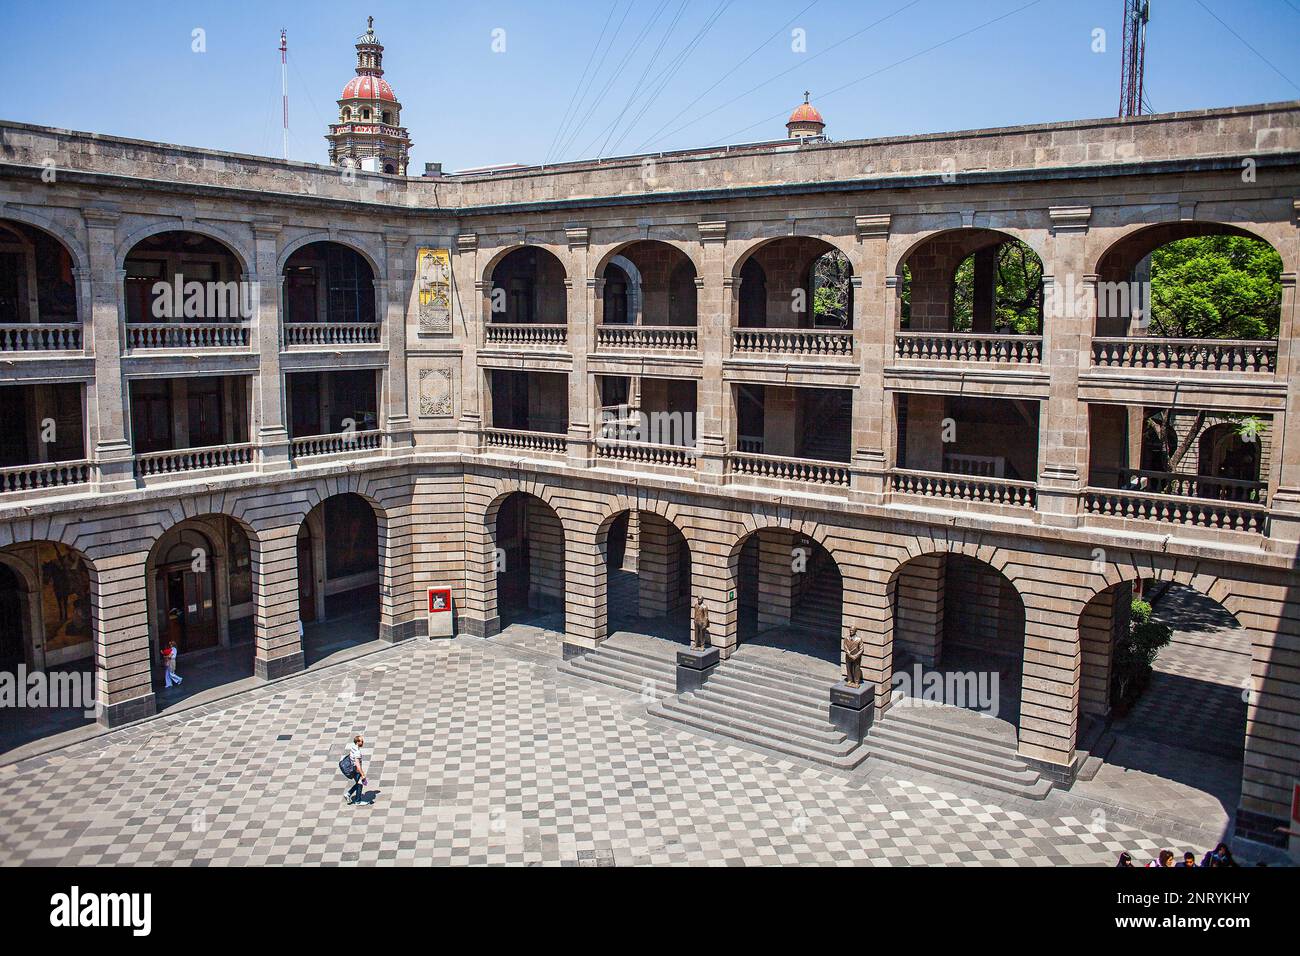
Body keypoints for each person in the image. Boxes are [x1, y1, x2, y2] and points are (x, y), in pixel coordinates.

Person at [344, 734, 367, 806]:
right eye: (361, 741)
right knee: (360, 784)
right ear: (357, 742)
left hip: (352, 769)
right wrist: (362, 774)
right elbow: (357, 764)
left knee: (358, 783)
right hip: (356, 770)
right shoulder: (357, 752)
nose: (363, 742)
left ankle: (349, 794)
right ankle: (357, 801)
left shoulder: (353, 748)